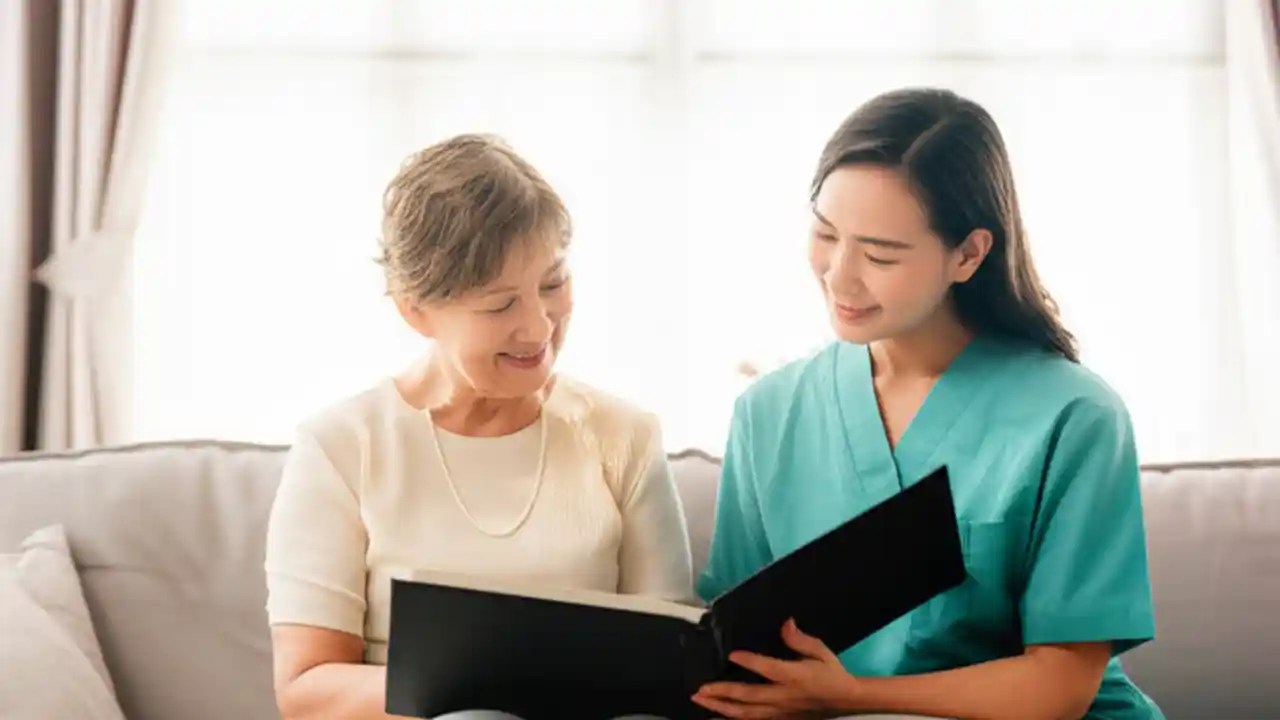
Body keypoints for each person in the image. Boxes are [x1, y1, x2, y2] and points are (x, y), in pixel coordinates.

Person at [692, 88, 1165, 720]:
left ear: (968, 254)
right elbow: (734, 650)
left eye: (880, 254)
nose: (839, 275)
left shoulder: (1075, 418)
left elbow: (1061, 685)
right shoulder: (768, 413)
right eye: (826, 234)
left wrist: (853, 699)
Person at [264, 134, 692, 720]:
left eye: (552, 284)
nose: (538, 326)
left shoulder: (625, 435)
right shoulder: (342, 446)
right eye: (499, 306)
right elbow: (307, 688)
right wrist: (485, 688)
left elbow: (671, 666)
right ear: (414, 309)